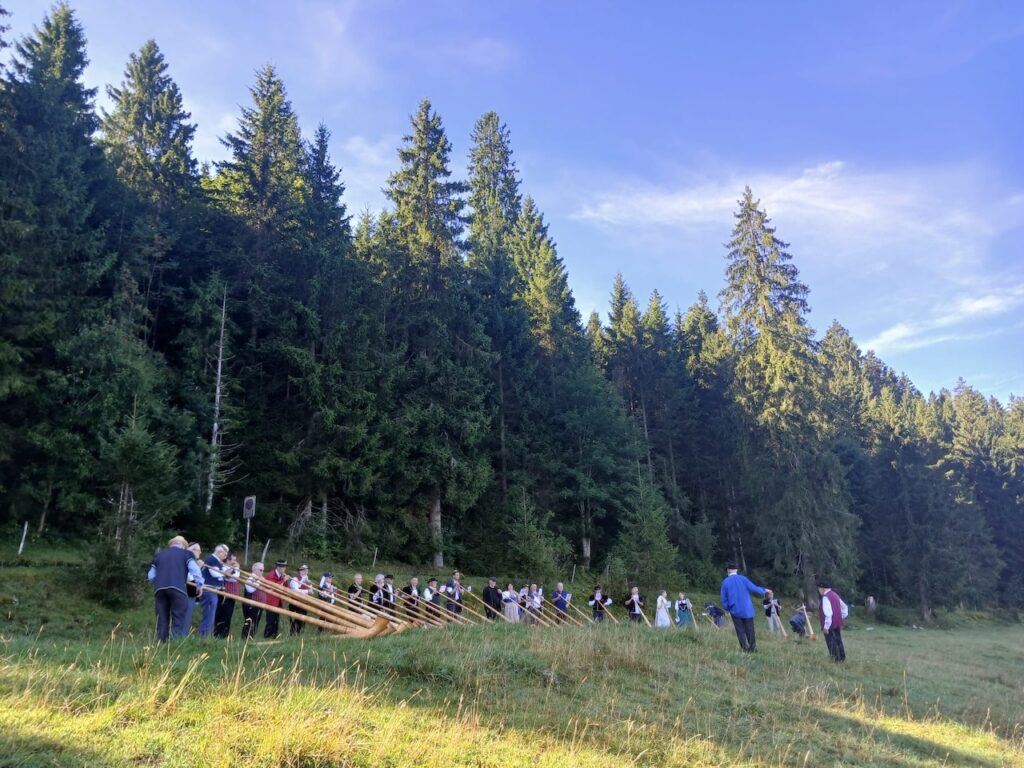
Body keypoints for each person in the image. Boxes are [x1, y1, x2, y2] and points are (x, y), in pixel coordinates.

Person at [147, 535, 205, 642]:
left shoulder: (159, 555)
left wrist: (159, 581)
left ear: (171, 544)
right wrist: (199, 584)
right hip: (177, 589)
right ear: (183, 545)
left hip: (159, 590)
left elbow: (151, 575)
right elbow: (195, 570)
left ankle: (162, 643)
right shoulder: (187, 554)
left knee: (162, 618)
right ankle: (173, 644)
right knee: (178, 617)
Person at [720, 564, 767, 652]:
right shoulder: (743, 579)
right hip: (747, 609)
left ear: (728, 571)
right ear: (736, 570)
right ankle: (752, 648)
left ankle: (744, 648)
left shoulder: (725, 582)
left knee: (740, 630)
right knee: (750, 629)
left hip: (735, 610)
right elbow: (754, 588)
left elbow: (724, 598)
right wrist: (763, 590)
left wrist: (727, 608)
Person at [818, 581, 849, 662]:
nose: (819, 591)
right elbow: (845, 608)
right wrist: (840, 617)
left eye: (819, 589)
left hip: (830, 625)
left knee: (831, 642)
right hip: (837, 623)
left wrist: (826, 627)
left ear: (823, 589)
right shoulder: (835, 594)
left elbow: (828, 614)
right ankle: (842, 658)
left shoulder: (825, 597)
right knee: (838, 641)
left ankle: (836, 660)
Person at [213, 552, 241, 638]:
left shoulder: (233, 568)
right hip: (224, 595)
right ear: (228, 560)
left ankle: (224, 635)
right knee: (221, 615)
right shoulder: (223, 567)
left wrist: (236, 569)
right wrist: (234, 568)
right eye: (233, 560)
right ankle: (218, 635)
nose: (234, 562)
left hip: (231, 596)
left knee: (228, 616)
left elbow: (236, 576)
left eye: (235, 560)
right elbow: (231, 578)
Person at [263, 560, 288, 638]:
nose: (283, 569)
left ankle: (274, 637)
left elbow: (285, 588)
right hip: (271, 601)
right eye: (282, 567)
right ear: (278, 567)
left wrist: (286, 581)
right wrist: (283, 580)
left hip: (279, 602)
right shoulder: (270, 575)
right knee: (270, 621)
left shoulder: (282, 576)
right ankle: (267, 637)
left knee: (276, 621)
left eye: (284, 567)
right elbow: (272, 587)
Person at [242, 561, 267, 639]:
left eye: (263, 570)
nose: (262, 572)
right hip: (251, 605)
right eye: (260, 570)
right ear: (254, 570)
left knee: (255, 622)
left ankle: (251, 638)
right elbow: (250, 590)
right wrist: (259, 581)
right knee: (250, 622)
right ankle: (246, 638)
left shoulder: (258, 578)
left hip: (258, 605)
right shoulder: (250, 578)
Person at [183, 543, 203, 632]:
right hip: (186, 589)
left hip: (191, 590)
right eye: (198, 550)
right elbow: (188, 576)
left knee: (188, 615)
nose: (200, 552)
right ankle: (181, 637)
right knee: (185, 615)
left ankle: (183, 636)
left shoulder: (192, 561)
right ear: (192, 551)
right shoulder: (187, 560)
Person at [288, 564, 313, 635]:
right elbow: (295, 590)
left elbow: (311, 591)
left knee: (302, 621)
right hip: (295, 603)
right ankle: (292, 636)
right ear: (300, 571)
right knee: (294, 621)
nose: (306, 571)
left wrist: (308, 587)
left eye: (307, 569)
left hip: (304, 603)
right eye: (304, 569)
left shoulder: (308, 580)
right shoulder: (295, 579)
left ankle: (299, 636)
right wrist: (306, 591)